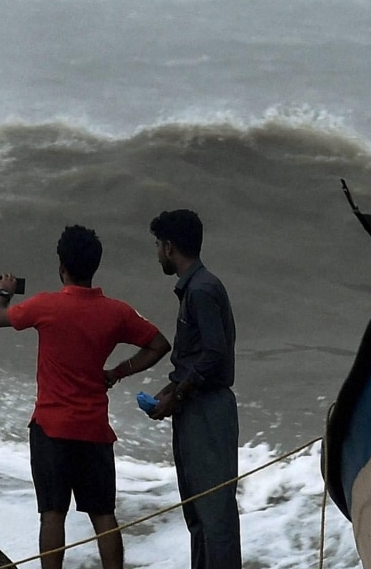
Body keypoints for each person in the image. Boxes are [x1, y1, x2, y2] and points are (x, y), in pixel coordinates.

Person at [0, 225, 171, 569]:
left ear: (62, 267)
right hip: (93, 431)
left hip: (51, 427)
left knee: (53, 516)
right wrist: (118, 372)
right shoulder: (116, 312)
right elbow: (159, 344)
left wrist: (4, 291)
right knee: (103, 517)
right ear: (94, 267)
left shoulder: (45, 305)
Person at [146, 209, 241, 569]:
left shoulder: (201, 290)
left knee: (215, 517)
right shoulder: (197, 288)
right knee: (199, 517)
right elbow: (199, 355)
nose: (157, 253)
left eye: (158, 245)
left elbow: (215, 355)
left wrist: (179, 394)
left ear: (170, 247)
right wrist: (171, 390)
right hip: (194, 408)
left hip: (207, 411)